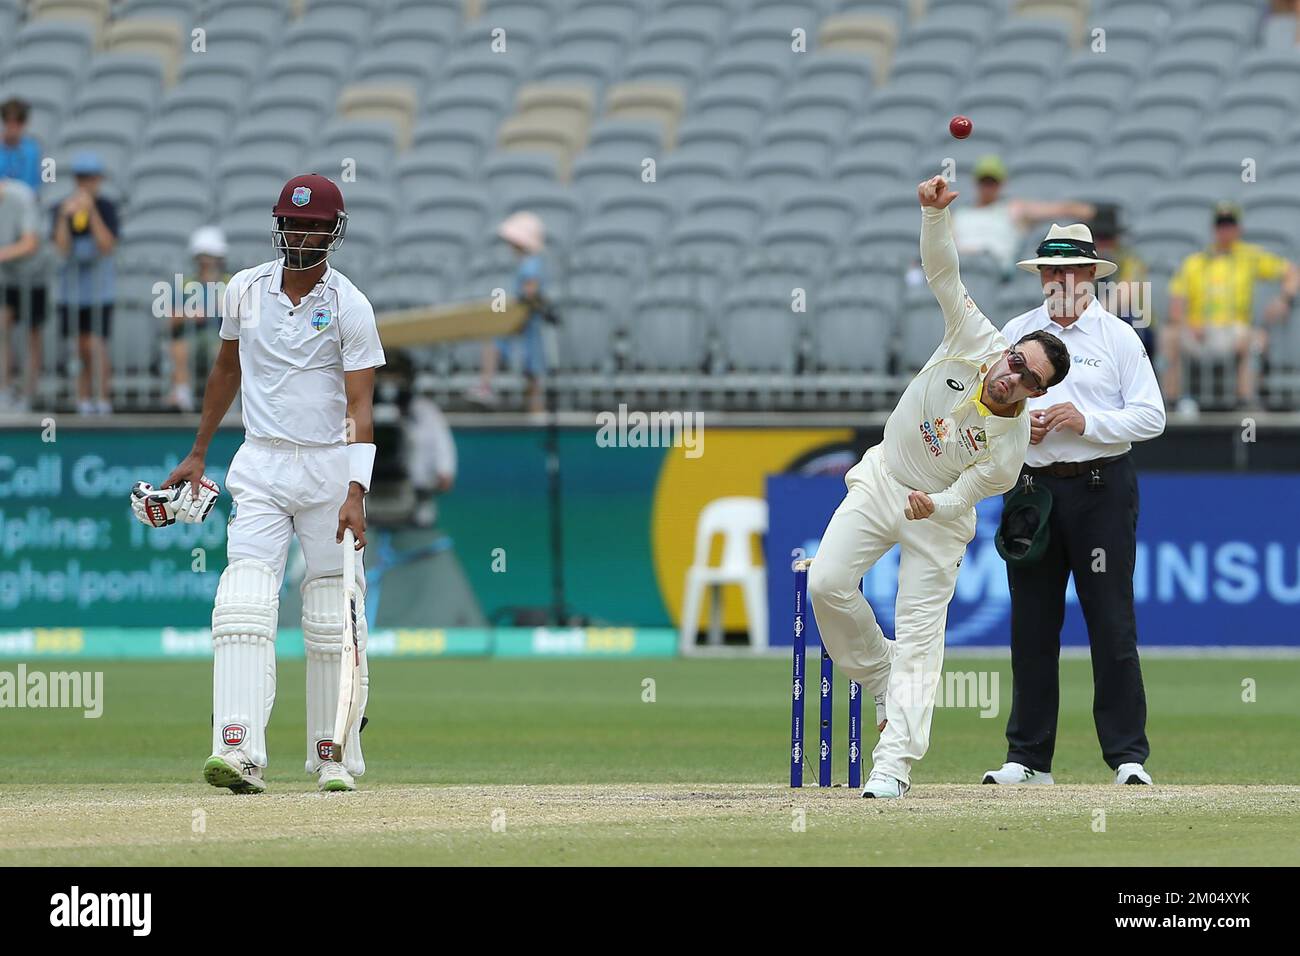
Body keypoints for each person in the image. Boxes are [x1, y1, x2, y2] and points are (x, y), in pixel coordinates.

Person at [807, 175, 1071, 799]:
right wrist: (932, 216)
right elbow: (944, 276)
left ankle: (892, 766)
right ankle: (880, 674)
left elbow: (966, 496)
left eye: (1028, 379)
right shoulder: (977, 338)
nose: (1011, 376)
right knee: (826, 583)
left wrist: (938, 503)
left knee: (921, 634)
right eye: (1015, 361)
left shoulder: (1010, 452)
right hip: (882, 479)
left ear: (1039, 393)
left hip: (937, 518)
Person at [161, 173, 386, 794]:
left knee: (333, 612)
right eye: (291, 221)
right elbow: (225, 370)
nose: (300, 233)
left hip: (326, 466)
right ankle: (238, 751)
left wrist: (355, 490)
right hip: (259, 463)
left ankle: (333, 752)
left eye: (313, 225)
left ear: (333, 233)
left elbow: (361, 406)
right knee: (243, 603)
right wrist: (199, 451)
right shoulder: (244, 290)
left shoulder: (350, 304)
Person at [986, 220, 1166, 788]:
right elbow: (988, 401)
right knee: (1032, 624)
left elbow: (1151, 417)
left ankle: (1127, 756)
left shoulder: (1117, 337)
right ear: (1041, 277)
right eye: (1051, 271)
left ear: (1091, 275)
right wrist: (1020, 427)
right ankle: (1028, 758)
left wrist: (1087, 422)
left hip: (1099, 489)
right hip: (1032, 488)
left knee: (1110, 621)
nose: (1061, 280)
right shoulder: (1017, 332)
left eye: (1071, 270)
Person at [1163, 201, 1300, 413]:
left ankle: (1245, 404)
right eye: (1221, 225)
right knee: (1169, 335)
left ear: (1238, 228)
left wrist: (1285, 299)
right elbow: (1176, 306)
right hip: (1197, 332)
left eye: (1230, 224)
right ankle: (1168, 405)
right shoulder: (1194, 262)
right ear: (1214, 229)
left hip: (1233, 332)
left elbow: (1292, 271)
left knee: (1255, 338)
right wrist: (1189, 324)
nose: (1225, 230)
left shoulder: (1249, 257)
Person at [51, 152, 118, 414]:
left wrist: (90, 213)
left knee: (97, 344)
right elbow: (61, 248)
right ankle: (82, 400)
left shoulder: (106, 207)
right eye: (80, 177)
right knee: (79, 346)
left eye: (90, 177)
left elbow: (106, 245)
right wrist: (63, 219)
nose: (85, 183)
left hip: (100, 292)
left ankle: (103, 399)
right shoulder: (62, 208)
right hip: (72, 292)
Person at [952, 155, 1096, 274]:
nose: (988, 188)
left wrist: (1086, 211)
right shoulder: (960, 215)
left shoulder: (1013, 208)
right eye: (984, 182)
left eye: (992, 182)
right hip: (961, 269)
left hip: (995, 271)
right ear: (976, 183)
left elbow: (1055, 210)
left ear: (1001, 184)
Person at [468, 211, 549, 413]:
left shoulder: (530, 264)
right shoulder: (531, 263)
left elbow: (530, 290)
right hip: (524, 322)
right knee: (532, 373)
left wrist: (515, 303)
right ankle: (535, 411)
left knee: (531, 371)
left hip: (525, 322)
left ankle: (487, 386)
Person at [167, 225, 231, 412]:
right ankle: (182, 394)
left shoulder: (231, 282)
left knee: (221, 350)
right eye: (203, 256)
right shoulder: (185, 284)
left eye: (210, 257)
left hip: (221, 339)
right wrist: (191, 314)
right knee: (178, 348)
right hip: (192, 338)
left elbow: (247, 316)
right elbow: (172, 320)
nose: (206, 261)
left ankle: (220, 401)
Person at [0, 176, 45, 410]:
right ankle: (3, 391)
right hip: (5, 279)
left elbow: (30, 244)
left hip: (34, 276)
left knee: (31, 334)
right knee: (2, 328)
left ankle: (28, 395)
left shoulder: (22, 197)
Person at [1090, 204, 1155, 361]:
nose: (1104, 243)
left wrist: (1092, 320)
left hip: (1135, 328)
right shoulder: (1087, 264)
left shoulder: (1131, 261)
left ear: (1117, 238)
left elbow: (1124, 295)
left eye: (1108, 237)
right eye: (1099, 237)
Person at [0, 98, 43, 194]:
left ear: (25, 123)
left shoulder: (33, 151)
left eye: (19, 120)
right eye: (8, 120)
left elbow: (30, 188)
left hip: (24, 204)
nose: (13, 126)